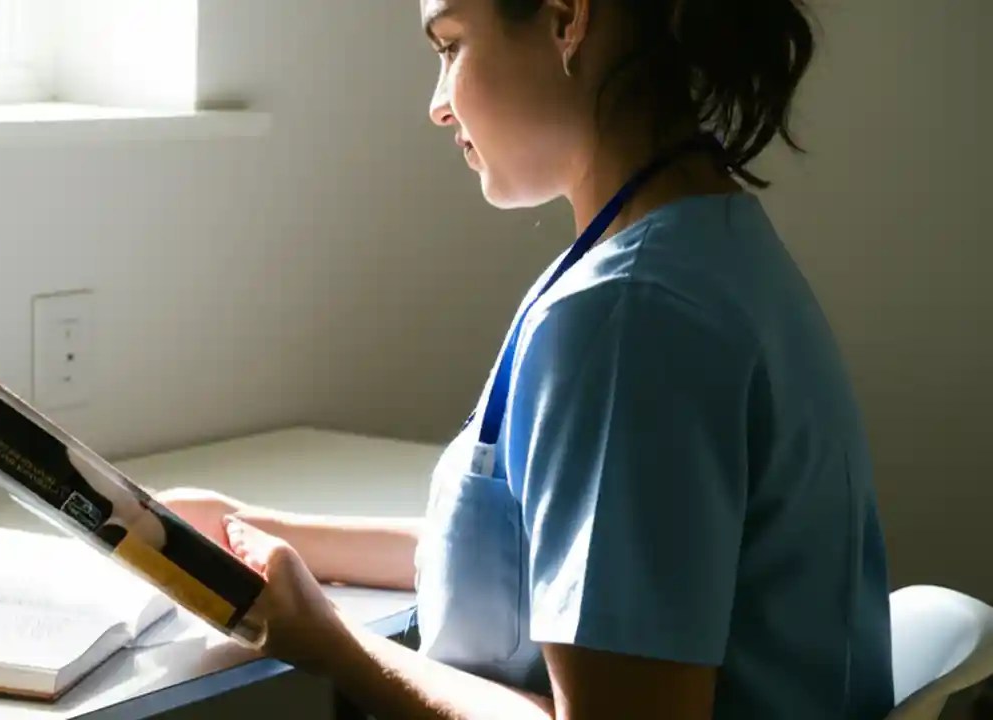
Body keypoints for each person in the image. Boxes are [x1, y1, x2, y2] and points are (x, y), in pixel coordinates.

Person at [159, 0, 895, 717]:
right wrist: (250, 528)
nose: (438, 106)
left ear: (567, 18)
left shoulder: (630, 318)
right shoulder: (701, 244)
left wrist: (329, 643)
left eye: (450, 47)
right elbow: (526, 555)